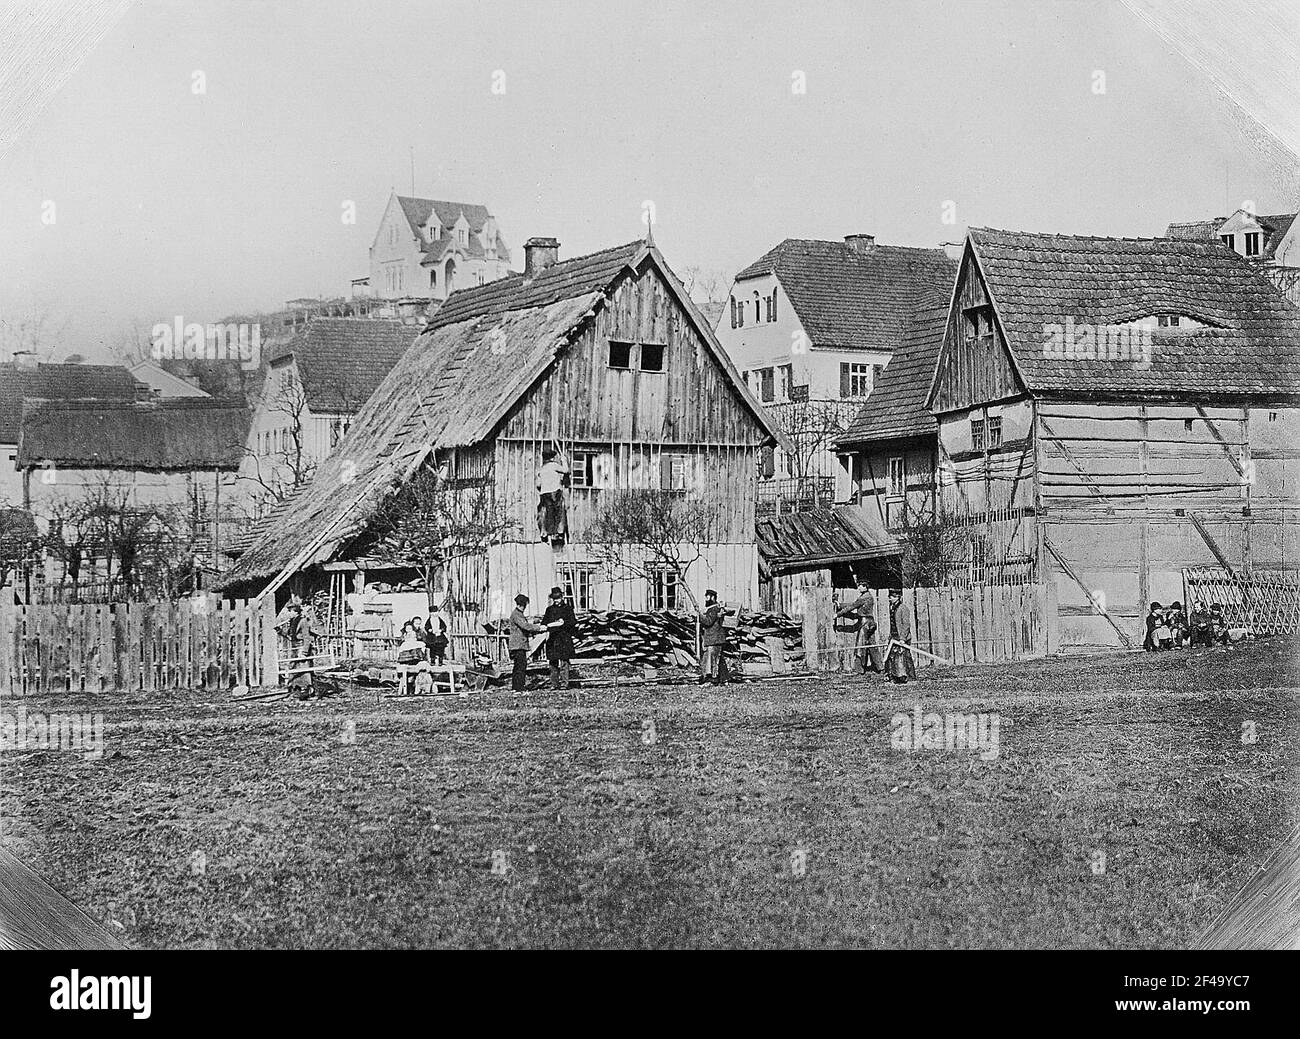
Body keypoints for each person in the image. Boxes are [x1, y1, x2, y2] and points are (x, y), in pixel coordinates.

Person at [836, 581, 882, 674]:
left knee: (860, 646)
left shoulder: (864, 597)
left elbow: (852, 606)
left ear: (866, 587)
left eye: (861, 586)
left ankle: (859, 670)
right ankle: (880, 667)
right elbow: (854, 603)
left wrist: (837, 614)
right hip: (870, 623)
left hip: (864, 624)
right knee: (872, 645)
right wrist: (840, 605)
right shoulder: (867, 596)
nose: (859, 588)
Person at [508, 593, 548, 694]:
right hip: (518, 645)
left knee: (519, 666)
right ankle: (518, 687)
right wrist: (540, 628)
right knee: (520, 666)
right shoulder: (516, 615)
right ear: (521, 604)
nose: (525, 607)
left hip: (519, 644)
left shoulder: (518, 614)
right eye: (524, 605)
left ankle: (516, 687)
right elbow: (525, 626)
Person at [278, 601, 316, 700]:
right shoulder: (292, 621)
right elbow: (290, 636)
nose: (289, 613)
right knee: (294, 667)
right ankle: (296, 689)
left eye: (290, 611)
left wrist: (304, 652)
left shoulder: (303, 621)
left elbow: (306, 637)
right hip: (294, 646)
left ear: (296, 612)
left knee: (303, 668)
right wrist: (280, 631)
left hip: (301, 646)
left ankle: (306, 690)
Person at [541, 586, 577, 690]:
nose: (556, 601)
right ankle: (554, 684)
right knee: (553, 662)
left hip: (564, 638)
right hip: (553, 639)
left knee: (564, 662)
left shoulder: (568, 609)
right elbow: (544, 623)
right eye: (555, 599)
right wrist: (549, 625)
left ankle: (565, 683)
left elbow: (573, 622)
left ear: (562, 597)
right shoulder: (549, 610)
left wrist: (564, 622)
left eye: (558, 598)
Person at [536, 449, 570, 542]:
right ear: (552, 458)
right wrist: (564, 460)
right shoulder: (553, 466)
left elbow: (538, 485)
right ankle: (559, 532)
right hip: (554, 492)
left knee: (546, 513)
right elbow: (566, 471)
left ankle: (544, 532)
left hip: (544, 493)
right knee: (558, 512)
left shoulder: (542, 469)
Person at [883, 588, 916, 684]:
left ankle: (911, 678)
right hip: (894, 637)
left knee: (905, 657)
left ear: (898, 597)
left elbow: (906, 624)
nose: (890, 599)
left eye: (893, 597)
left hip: (902, 637)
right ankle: (894, 677)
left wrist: (903, 638)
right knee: (891, 657)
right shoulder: (892, 607)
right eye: (890, 597)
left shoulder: (903, 608)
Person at [699, 589, 727, 685]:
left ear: (712, 598)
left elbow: (708, 621)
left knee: (712, 660)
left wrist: (699, 616)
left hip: (714, 638)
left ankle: (713, 678)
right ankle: (720, 678)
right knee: (714, 659)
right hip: (713, 638)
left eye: (707, 597)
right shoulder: (713, 608)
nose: (706, 599)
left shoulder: (714, 609)